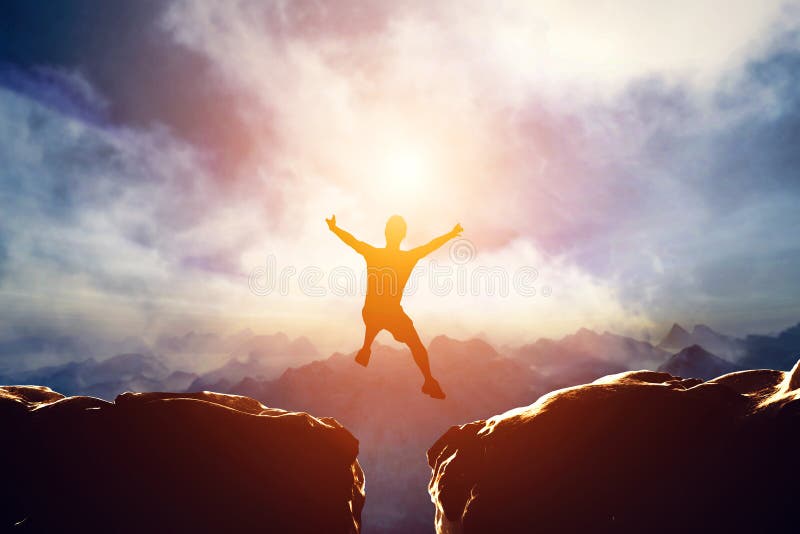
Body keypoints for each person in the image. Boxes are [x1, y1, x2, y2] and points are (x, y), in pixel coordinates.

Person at [326, 214, 463, 399]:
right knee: (417, 346)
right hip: (389, 314)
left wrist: (334, 228)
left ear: (386, 233)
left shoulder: (374, 253)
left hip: (372, 313)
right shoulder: (407, 258)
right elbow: (430, 246)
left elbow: (352, 241)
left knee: (375, 318)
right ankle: (428, 381)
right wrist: (451, 234)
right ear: (402, 236)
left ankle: (366, 347)